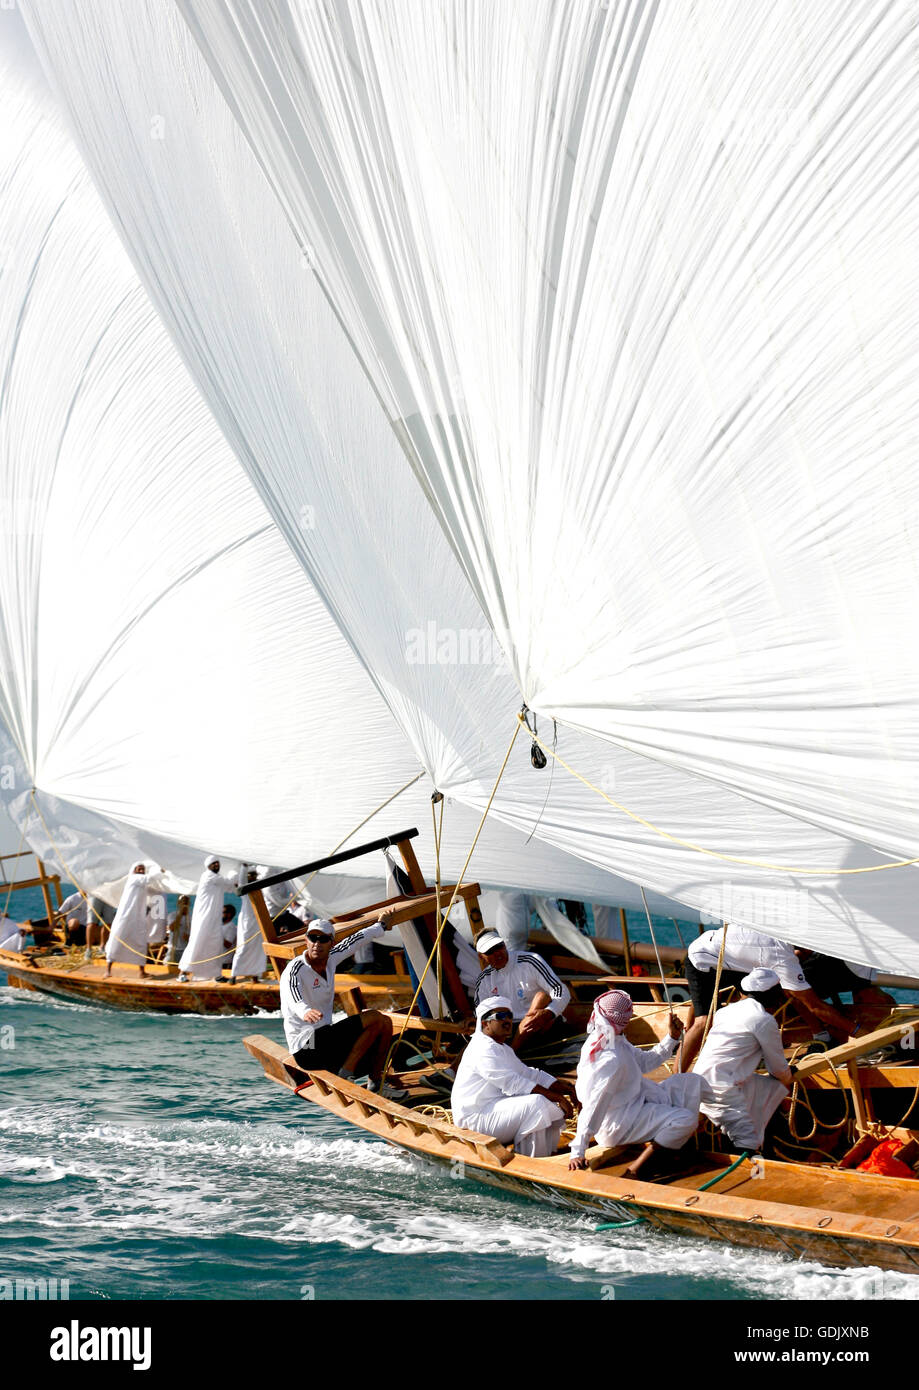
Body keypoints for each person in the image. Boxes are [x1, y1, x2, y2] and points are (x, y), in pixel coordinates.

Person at [568, 990, 710, 1178]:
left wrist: (672, 1038)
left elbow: (644, 1062)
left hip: (634, 1104)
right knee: (684, 1119)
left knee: (690, 1082)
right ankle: (636, 1170)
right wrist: (578, 1151)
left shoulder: (613, 1038)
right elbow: (595, 1104)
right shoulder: (610, 1059)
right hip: (618, 1123)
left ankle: (673, 1149)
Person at [681, 923, 857, 1068]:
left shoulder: (778, 933)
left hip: (735, 957)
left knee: (776, 994)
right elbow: (815, 1005)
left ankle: (821, 1037)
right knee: (704, 1020)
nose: (813, 952)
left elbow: (788, 960)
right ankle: (677, 1075)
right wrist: (857, 1031)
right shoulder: (780, 956)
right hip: (703, 959)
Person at [280, 908, 406, 1098]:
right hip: (306, 1047)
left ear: (331, 942)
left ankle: (375, 1081)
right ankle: (346, 1076)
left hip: (327, 1042)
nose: (317, 944)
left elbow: (354, 941)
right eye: (312, 938)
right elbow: (293, 994)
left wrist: (381, 925)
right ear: (306, 940)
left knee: (385, 1023)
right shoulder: (295, 969)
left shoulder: (331, 958)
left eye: (323, 939)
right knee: (373, 1017)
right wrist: (304, 1011)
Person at [451, 997, 575, 1157]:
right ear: (485, 1023)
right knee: (536, 1104)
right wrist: (558, 1098)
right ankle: (531, 1162)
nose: (508, 1020)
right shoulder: (482, 1049)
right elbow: (513, 1083)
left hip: (490, 1110)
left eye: (509, 1016)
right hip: (474, 1120)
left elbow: (529, 1074)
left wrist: (568, 1090)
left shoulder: (501, 1048)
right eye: (501, 1017)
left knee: (541, 1104)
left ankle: (541, 1155)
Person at [693, 969, 793, 1154]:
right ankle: (753, 1172)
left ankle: (771, 1145)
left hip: (699, 1081)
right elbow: (779, 1070)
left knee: (768, 1089)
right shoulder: (763, 1020)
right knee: (748, 1141)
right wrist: (789, 1075)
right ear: (770, 995)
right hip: (721, 1088)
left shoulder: (724, 1012)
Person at [472, 930, 571, 1051]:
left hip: (541, 1026)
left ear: (504, 944)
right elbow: (480, 1016)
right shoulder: (484, 980)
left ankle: (511, 1055)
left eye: (499, 946)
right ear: (481, 957)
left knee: (541, 997)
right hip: (508, 1031)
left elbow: (561, 990)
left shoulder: (530, 960)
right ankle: (452, 1070)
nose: (497, 953)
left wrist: (549, 1013)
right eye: (490, 951)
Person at [178, 856, 237, 982]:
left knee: (215, 944)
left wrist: (235, 882)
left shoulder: (217, 879)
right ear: (208, 866)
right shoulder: (209, 876)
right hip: (204, 918)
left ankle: (217, 975)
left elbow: (230, 887)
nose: (216, 865)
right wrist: (236, 869)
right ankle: (182, 973)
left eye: (217, 863)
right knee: (197, 942)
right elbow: (228, 883)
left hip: (214, 919)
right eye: (213, 863)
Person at [105, 864, 157, 978]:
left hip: (138, 918)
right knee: (117, 938)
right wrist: (161, 869)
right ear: (134, 870)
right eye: (139, 868)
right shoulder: (134, 878)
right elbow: (150, 878)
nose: (142, 870)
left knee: (140, 942)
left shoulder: (142, 883)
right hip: (126, 916)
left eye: (143, 869)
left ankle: (141, 972)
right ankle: (108, 970)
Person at [229, 866, 267, 983]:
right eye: (251, 875)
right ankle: (234, 976)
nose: (253, 877)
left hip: (258, 922)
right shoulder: (245, 888)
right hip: (246, 921)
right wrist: (243, 867)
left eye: (254, 875)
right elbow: (241, 881)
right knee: (243, 947)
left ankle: (255, 976)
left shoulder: (259, 888)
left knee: (258, 948)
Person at [165, 896, 191, 963]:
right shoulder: (172, 915)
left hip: (186, 950)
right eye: (182, 902)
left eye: (186, 903)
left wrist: (189, 938)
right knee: (167, 964)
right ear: (178, 903)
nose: (184, 905)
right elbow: (172, 928)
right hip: (173, 949)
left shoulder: (192, 918)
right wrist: (180, 914)